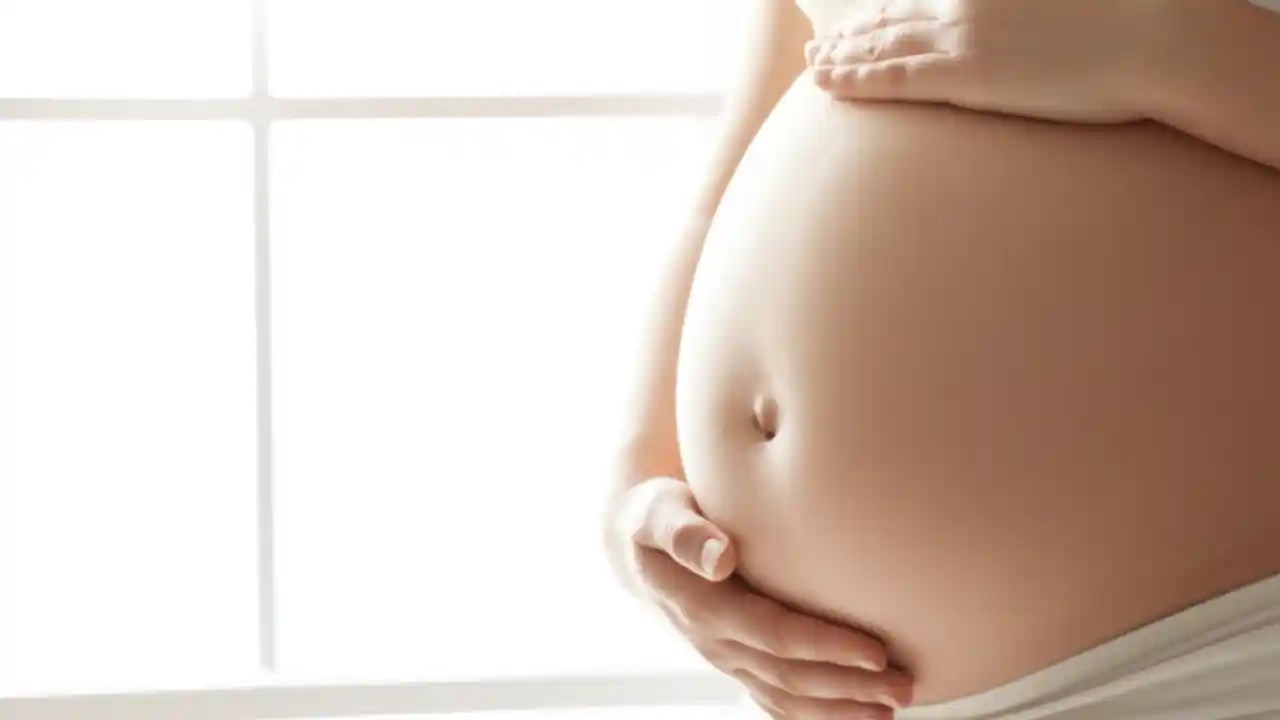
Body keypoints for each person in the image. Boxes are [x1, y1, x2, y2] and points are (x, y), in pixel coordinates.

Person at [603, 1, 1280, 718]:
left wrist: (1164, 47)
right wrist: (637, 493)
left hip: (1212, 645)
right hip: (859, 688)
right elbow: (726, 188)